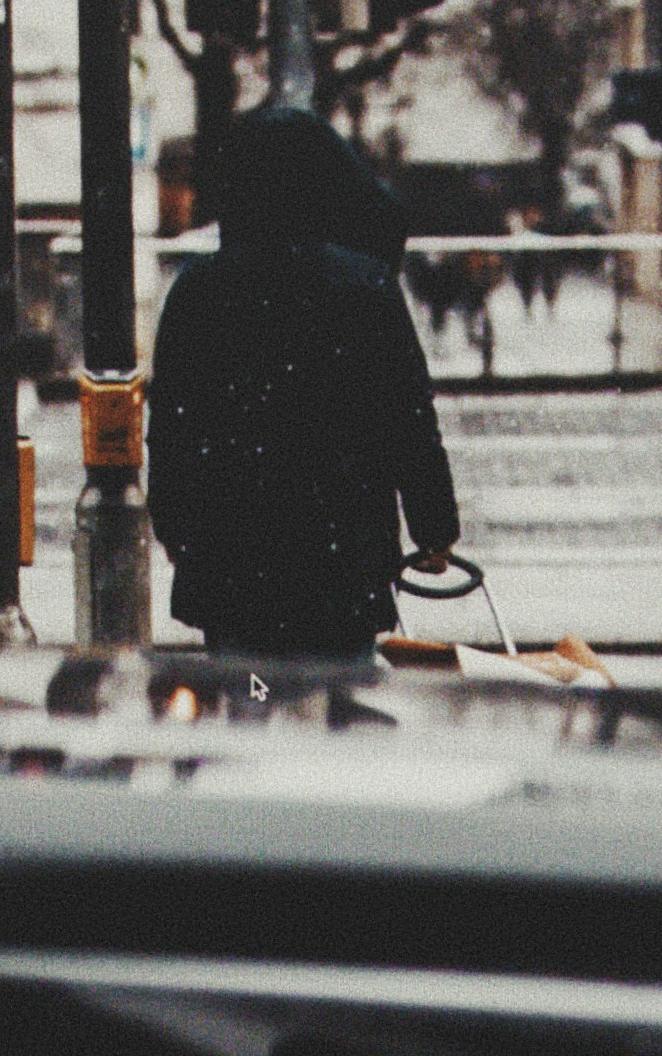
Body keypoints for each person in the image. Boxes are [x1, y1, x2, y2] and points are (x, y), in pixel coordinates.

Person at [154, 106, 460, 659]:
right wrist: (433, 529)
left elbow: (174, 425)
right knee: (340, 721)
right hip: (340, 561)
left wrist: (175, 527)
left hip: (234, 564)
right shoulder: (364, 287)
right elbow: (409, 418)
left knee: (249, 702)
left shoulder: (198, 291)